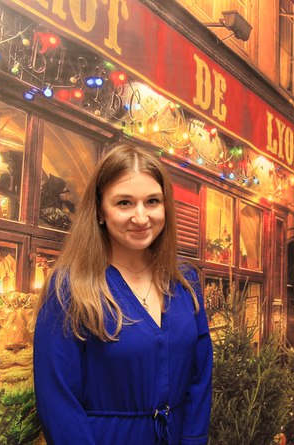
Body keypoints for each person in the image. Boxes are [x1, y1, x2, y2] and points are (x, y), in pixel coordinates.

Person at [33, 145, 212, 445]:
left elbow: (200, 376)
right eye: (124, 203)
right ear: (100, 210)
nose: (141, 217)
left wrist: (193, 440)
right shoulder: (69, 287)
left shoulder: (185, 281)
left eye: (152, 201)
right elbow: (58, 400)